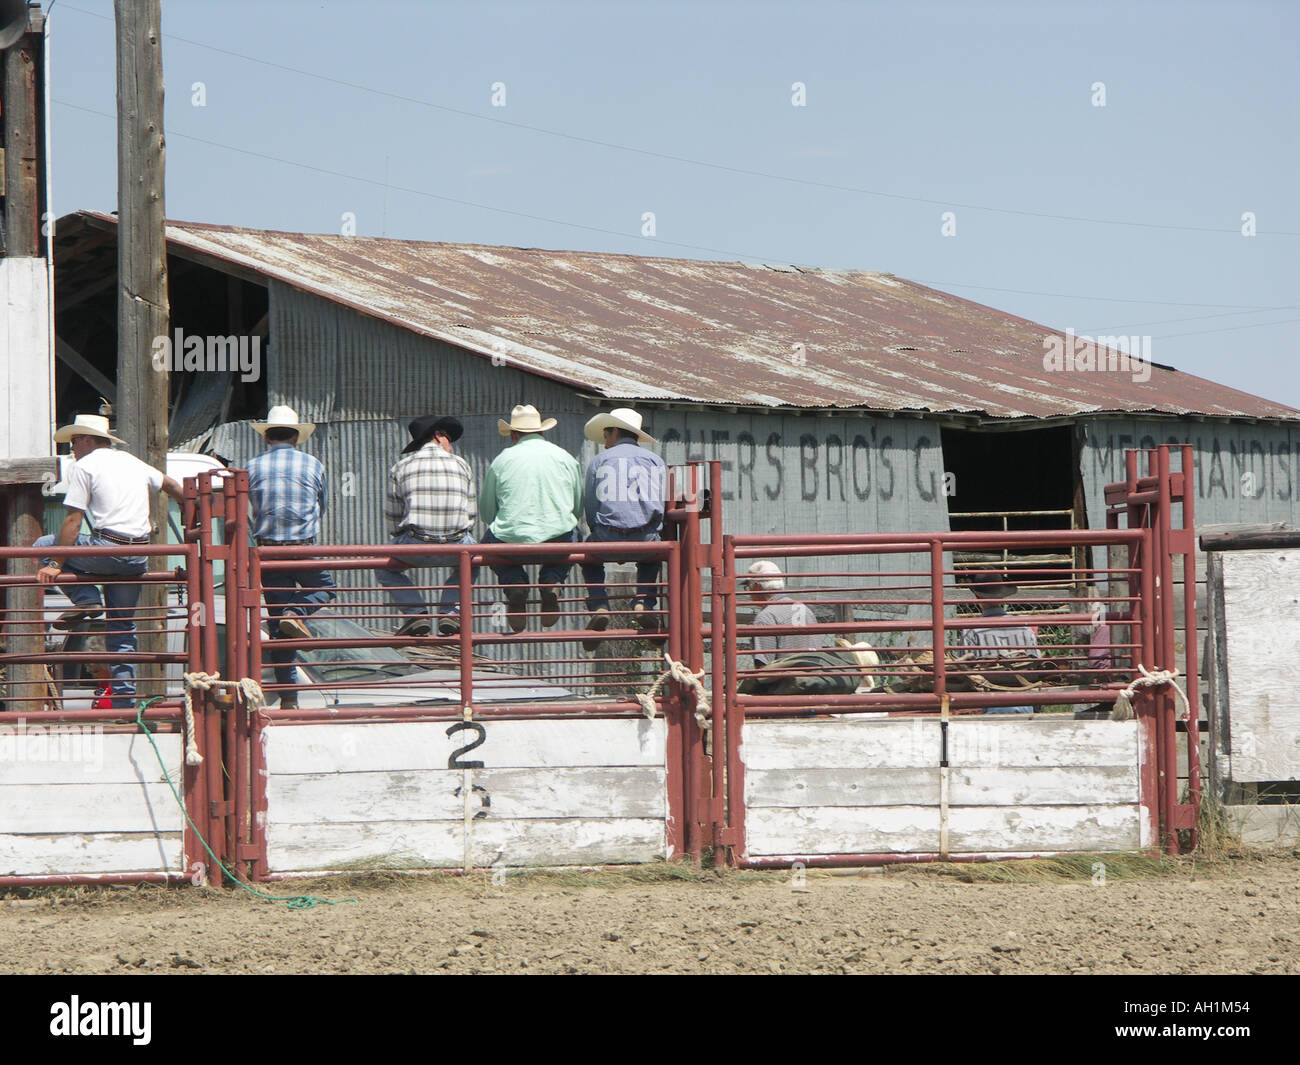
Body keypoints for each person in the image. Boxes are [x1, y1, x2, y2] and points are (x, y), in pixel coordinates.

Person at [35, 414, 184, 709]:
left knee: (42, 545)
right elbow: (172, 485)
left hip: (107, 548)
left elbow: (74, 521)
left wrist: (55, 563)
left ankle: (87, 598)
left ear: (88, 440)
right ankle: (125, 702)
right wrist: (193, 506)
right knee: (123, 627)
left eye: (74, 441)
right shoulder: (130, 461)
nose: (72, 447)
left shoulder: (85, 466)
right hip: (138, 555)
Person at [246, 405, 336, 709]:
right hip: (302, 547)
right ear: (296, 437)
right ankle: (297, 612)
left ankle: (289, 700)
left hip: (268, 551)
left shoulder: (251, 466)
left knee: (276, 629)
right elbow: (320, 505)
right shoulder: (314, 464)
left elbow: (249, 508)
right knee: (326, 588)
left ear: (266, 437)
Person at [479, 404, 582, 632]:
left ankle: (514, 582)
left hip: (512, 543)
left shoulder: (502, 460)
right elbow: (576, 509)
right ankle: (551, 580)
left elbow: (487, 513)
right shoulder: (565, 458)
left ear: (514, 435)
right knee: (576, 533)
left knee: (487, 542)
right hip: (557, 541)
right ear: (542, 432)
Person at [375, 414, 478, 638]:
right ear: (439, 436)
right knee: (474, 561)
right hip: (456, 545)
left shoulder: (401, 467)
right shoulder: (462, 465)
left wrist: (404, 537)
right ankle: (449, 613)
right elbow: (471, 515)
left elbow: (393, 517)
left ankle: (416, 613)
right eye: (449, 437)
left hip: (416, 543)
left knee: (383, 566)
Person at [579, 407, 666, 649]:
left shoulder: (599, 461)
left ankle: (598, 604)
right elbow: (662, 503)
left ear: (615, 431)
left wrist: (601, 532)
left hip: (608, 536)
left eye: (606, 436)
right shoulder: (655, 461)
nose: (605, 443)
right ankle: (645, 603)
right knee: (652, 558)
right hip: (645, 539)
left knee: (588, 557)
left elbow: (591, 506)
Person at [957, 579, 1041, 715]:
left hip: (990, 703)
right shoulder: (1025, 629)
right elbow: (1036, 667)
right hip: (1025, 702)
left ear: (977, 598)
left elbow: (966, 673)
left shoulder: (971, 631)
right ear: (1002, 598)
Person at [745, 560, 827, 666]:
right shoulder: (805, 609)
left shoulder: (766, 617)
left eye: (748, 588)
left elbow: (763, 668)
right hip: (813, 678)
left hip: (785, 680)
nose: (748, 592)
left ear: (757, 587)